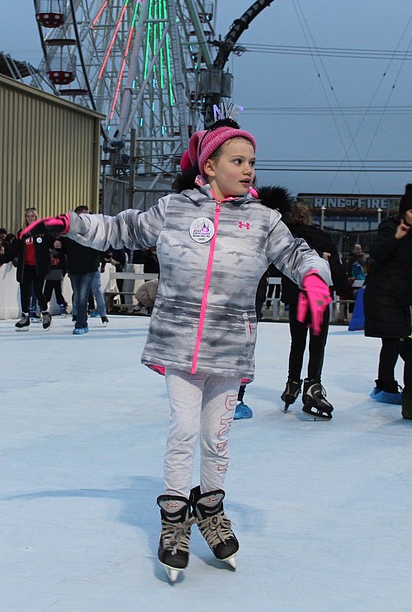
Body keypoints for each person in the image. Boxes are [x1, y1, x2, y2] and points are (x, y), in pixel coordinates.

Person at [18, 118, 332, 582]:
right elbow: (120, 229)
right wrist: (70, 223)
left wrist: (313, 279)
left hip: (229, 348)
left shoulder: (263, 219)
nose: (248, 170)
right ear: (209, 165)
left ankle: (209, 507)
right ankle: (173, 517)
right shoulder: (175, 209)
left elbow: (298, 253)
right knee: (183, 431)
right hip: (179, 343)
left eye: (251, 163)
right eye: (238, 161)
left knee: (216, 438)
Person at [277, 197, 351, 419]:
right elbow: (335, 268)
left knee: (297, 342)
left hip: (296, 296)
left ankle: (292, 383)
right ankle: (313, 385)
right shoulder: (322, 237)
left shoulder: (285, 237)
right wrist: (344, 291)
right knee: (317, 343)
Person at [364, 183, 412, 404]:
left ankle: (386, 384)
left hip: (399, 297)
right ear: (403, 212)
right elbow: (377, 253)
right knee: (392, 342)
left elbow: (411, 270)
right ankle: (386, 386)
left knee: (398, 342)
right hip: (384, 295)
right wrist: (396, 237)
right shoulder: (390, 227)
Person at [0, 207, 53, 330]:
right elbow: (13, 249)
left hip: (38, 267)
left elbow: (53, 242)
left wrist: (57, 244)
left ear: (36, 217)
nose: (30, 218)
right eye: (28, 216)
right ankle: (25, 317)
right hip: (25, 267)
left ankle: (45, 312)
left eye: (32, 216)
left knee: (38, 291)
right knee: (24, 292)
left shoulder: (43, 232)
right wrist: (2, 259)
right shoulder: (21, 233)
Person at [62, 205, 109, 335]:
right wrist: (57, 246)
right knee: (78, 296)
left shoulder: (94, 232)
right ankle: (83, 320)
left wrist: (104, 258)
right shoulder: (70, 233)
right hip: (74, 269)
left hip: (89, 268)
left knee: (83, 297)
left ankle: (81, 323)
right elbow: (62, 247)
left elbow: (102, 245)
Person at [44, 238, 68, 314]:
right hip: (56, 274)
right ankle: (62, 308)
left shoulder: (49, 253)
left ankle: (44, 308)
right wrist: (62, 274)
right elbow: (65, 266)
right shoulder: (63, 254)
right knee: (58, 292)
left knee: (48, 292)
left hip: (51, 274)